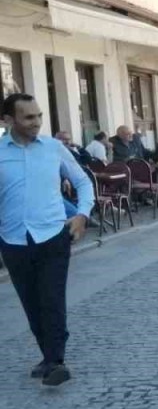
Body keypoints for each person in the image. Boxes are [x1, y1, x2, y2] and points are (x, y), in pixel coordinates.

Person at [0, 93, 94, 386]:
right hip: (13, 239)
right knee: (31, 303)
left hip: (53, 235)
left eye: (39, 115)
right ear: (7, 120)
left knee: (51, 299)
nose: (37, 122)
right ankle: (48, 355)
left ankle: (56, 361)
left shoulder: (54, 148)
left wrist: (82, 215)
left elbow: (82, 181)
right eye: (28, 117)